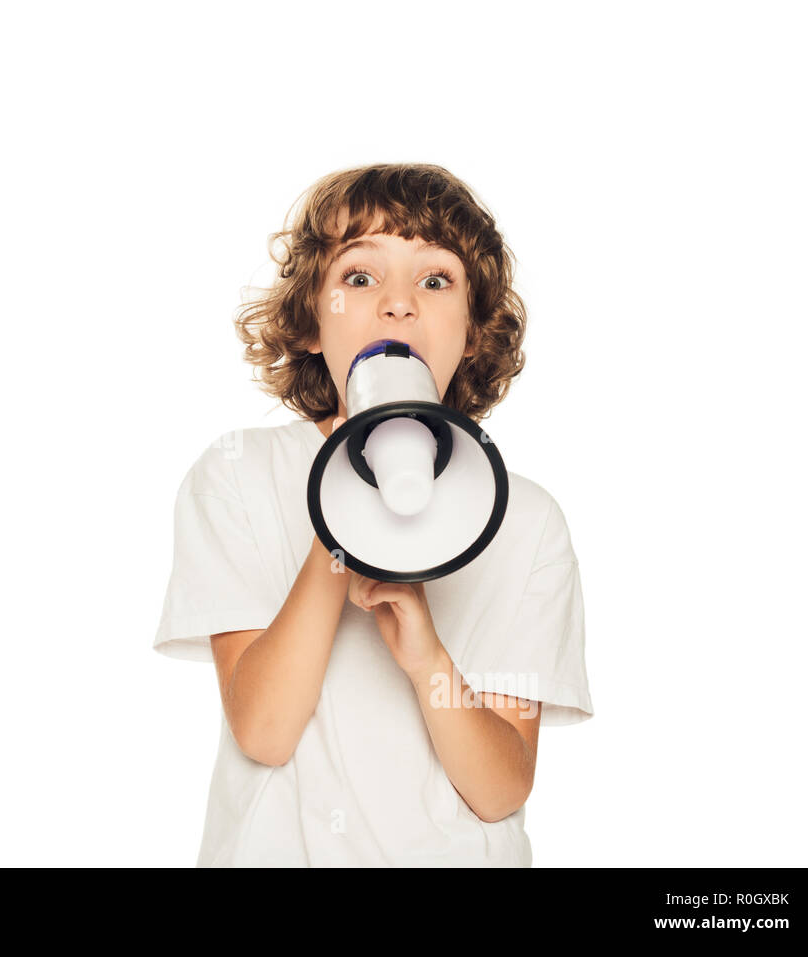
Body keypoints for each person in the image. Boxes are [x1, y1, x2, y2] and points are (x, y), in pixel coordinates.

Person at [152, 163, 594, 867]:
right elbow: (264, 729)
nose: (398, 304)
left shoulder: (527, 522)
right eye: (360, 277)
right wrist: (345, 522)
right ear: (307, 322)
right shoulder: (237, 475)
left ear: (475, 331)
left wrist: (429, 663)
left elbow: (502, 788)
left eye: (435, 279)